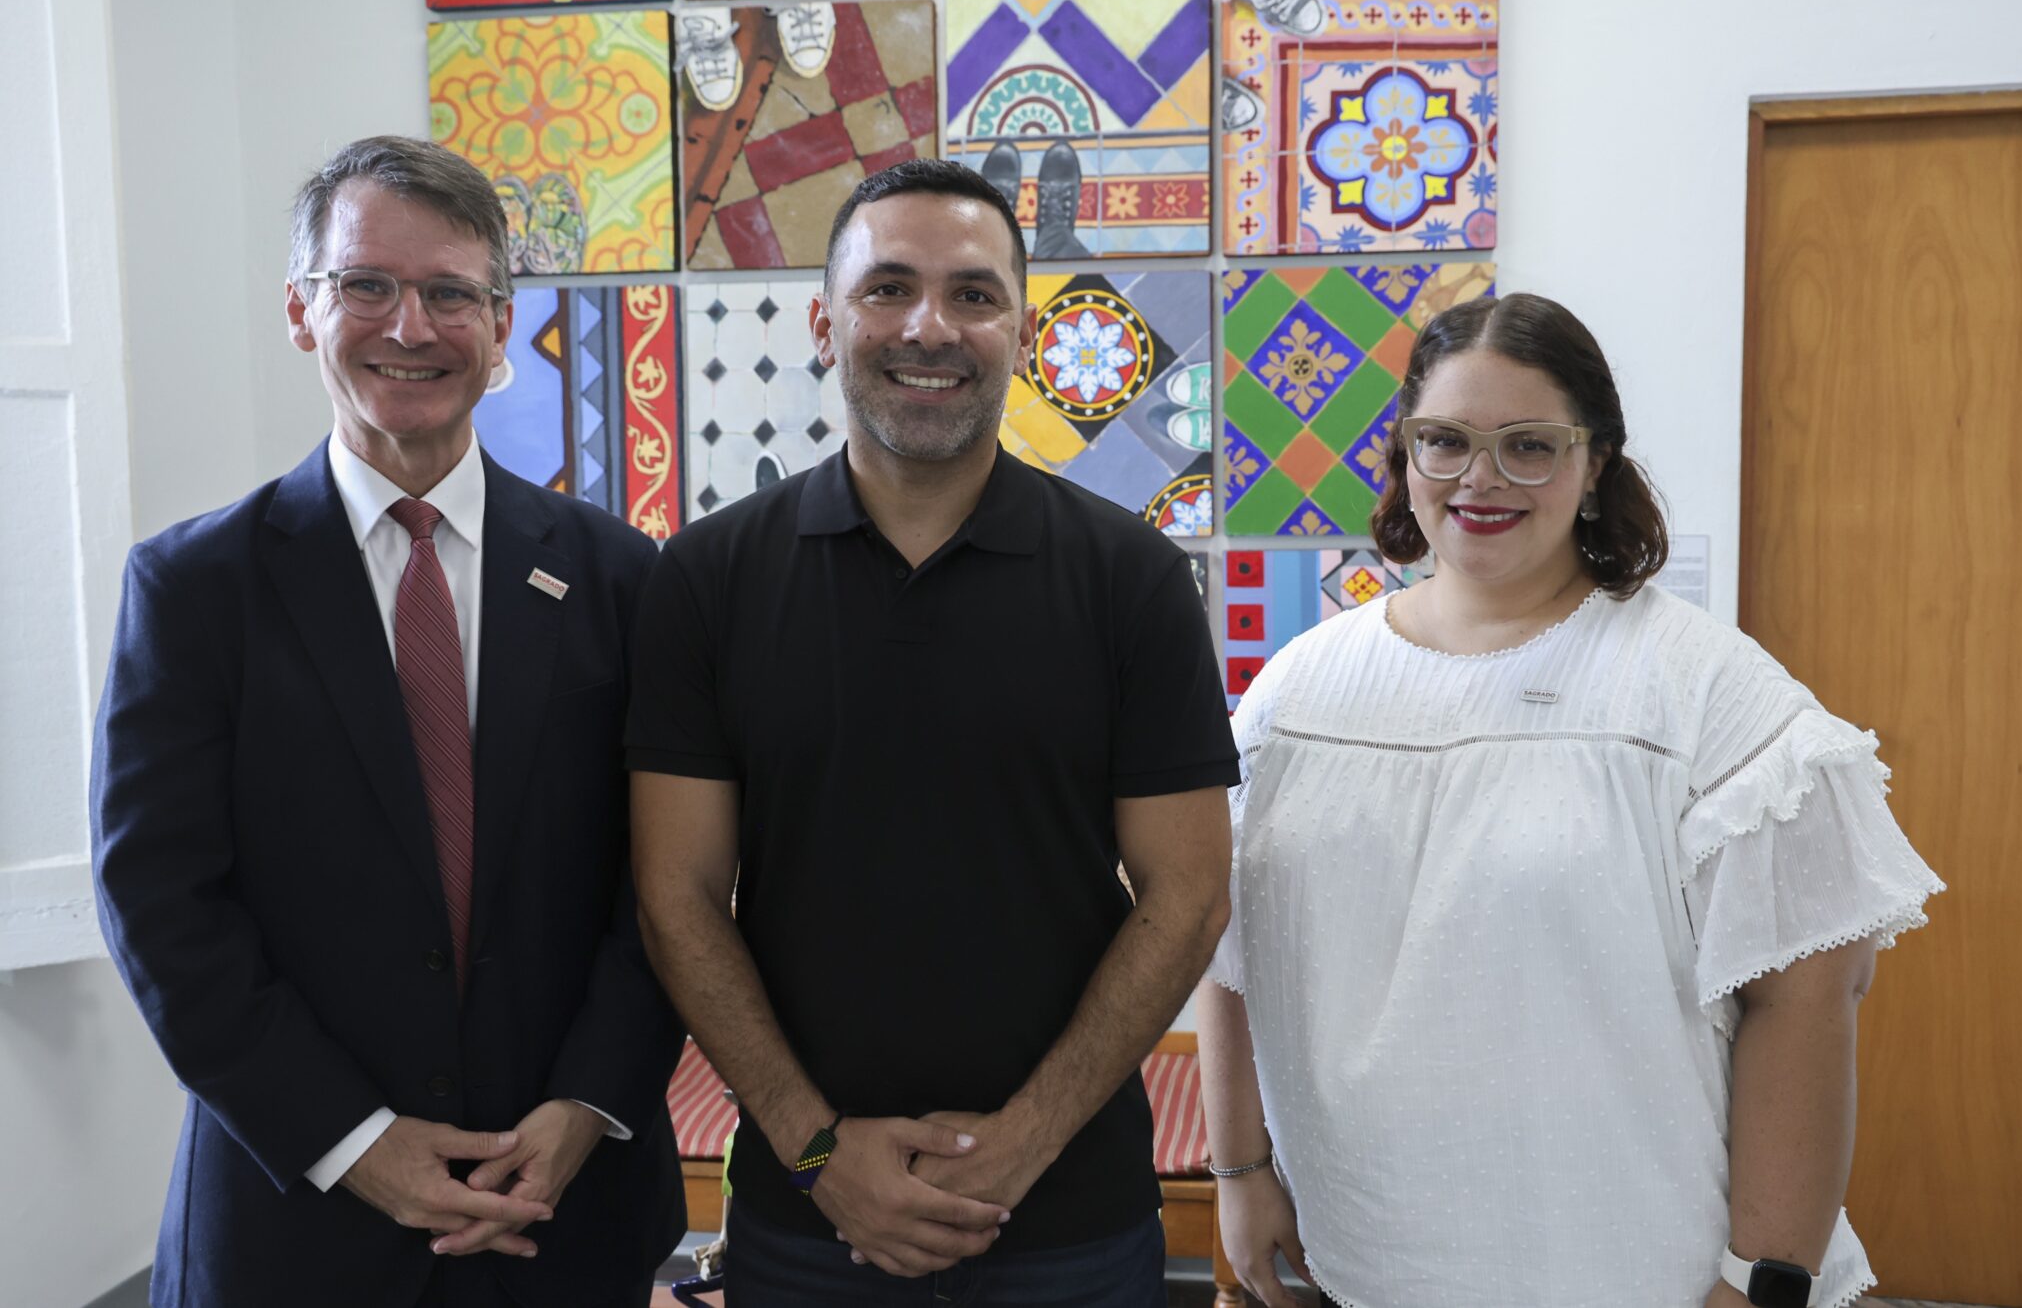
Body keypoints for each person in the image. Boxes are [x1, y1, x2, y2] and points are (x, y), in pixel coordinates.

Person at [1196, 293, 1944, 1308]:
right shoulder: (1296, 694)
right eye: (1445, 442)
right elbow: (1226, 952)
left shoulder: (1698, 688)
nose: (1480, 479)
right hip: (1367, 1261)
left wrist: (1760, 1280)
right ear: (1403, 457)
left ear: (1595, 466)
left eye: (1529, 446)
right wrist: (1238, 1175)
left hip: (1646, 1268)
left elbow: (1805, 1001)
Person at [627, 158, 1237, 1307]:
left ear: (1020, 326)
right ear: (825, 320)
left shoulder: (1131, 580)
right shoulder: (706, 579)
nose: (929, 326)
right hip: (806, 1224)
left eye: (971, 294)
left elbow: (1189, 894)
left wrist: (1018, 1146)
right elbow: (676, 896)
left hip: (1068, 1222)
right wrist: (816, 1152)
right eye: (887, 288)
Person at [91, 135, 685, 1308]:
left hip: (560, 1210)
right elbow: (161, 901)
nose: (408, 326)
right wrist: (353, 1140)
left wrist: (585, 1105)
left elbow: (669, 884)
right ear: (303, 313)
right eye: (365, 284)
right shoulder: (196, 587)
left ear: (502, 323)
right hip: (292, 1223)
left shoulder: (623, 580)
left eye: (450, 292)